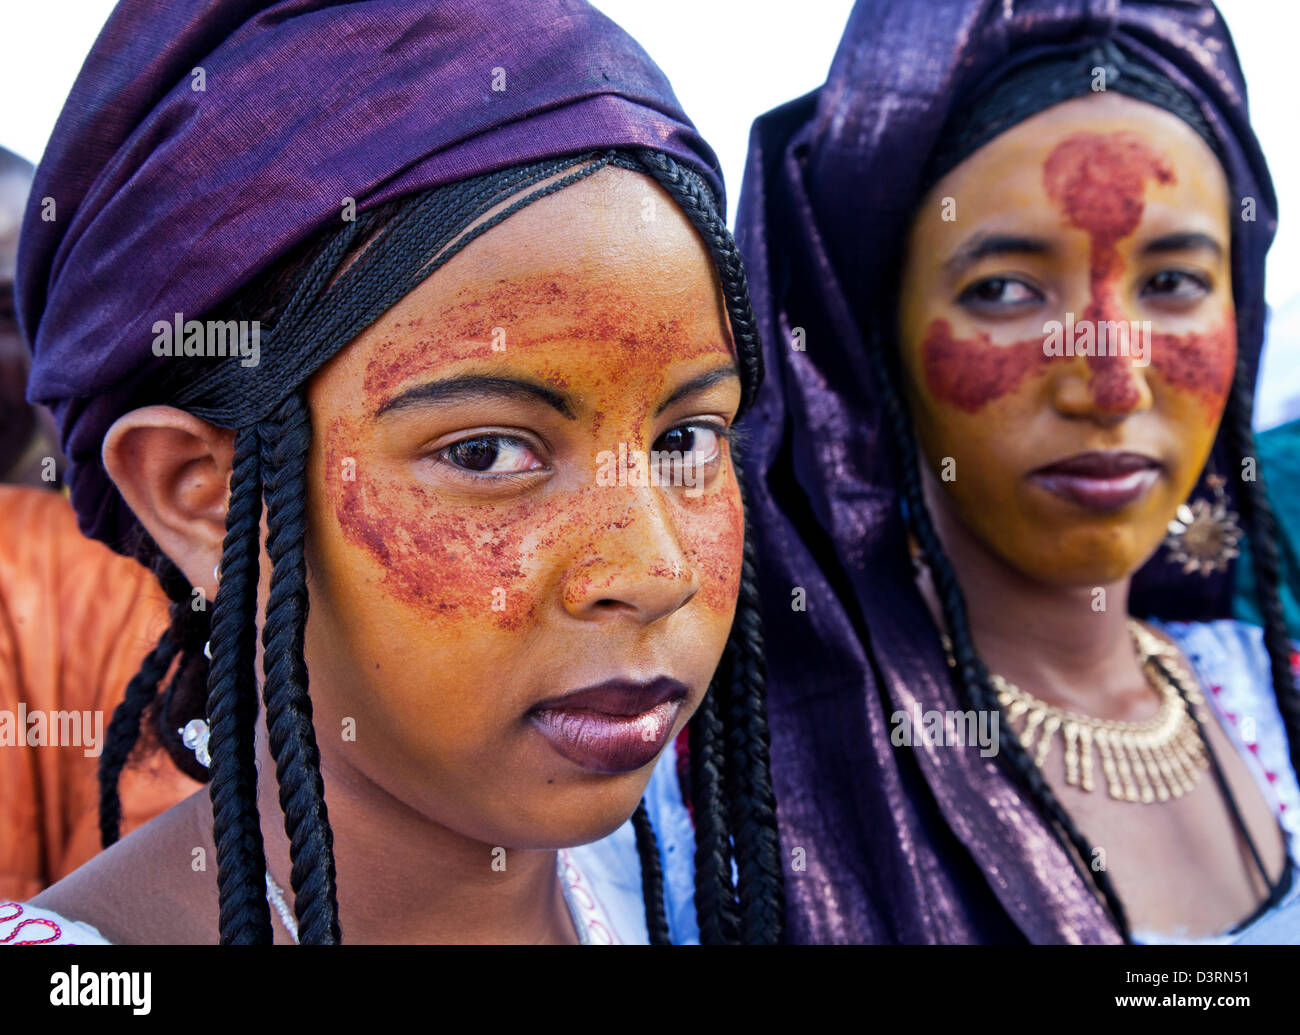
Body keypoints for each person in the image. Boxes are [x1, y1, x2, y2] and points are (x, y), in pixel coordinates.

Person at [0, 0, 782, 945]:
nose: (659, 573)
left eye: (685, 440)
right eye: (488, 451)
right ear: (198, 496)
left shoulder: (710, 867)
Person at [736, 0, 1299, 943]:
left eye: (1173, 283)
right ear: (875, 342)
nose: (1113, 383)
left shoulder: (1268, 697)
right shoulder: (748, 790)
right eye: (1005, 289)